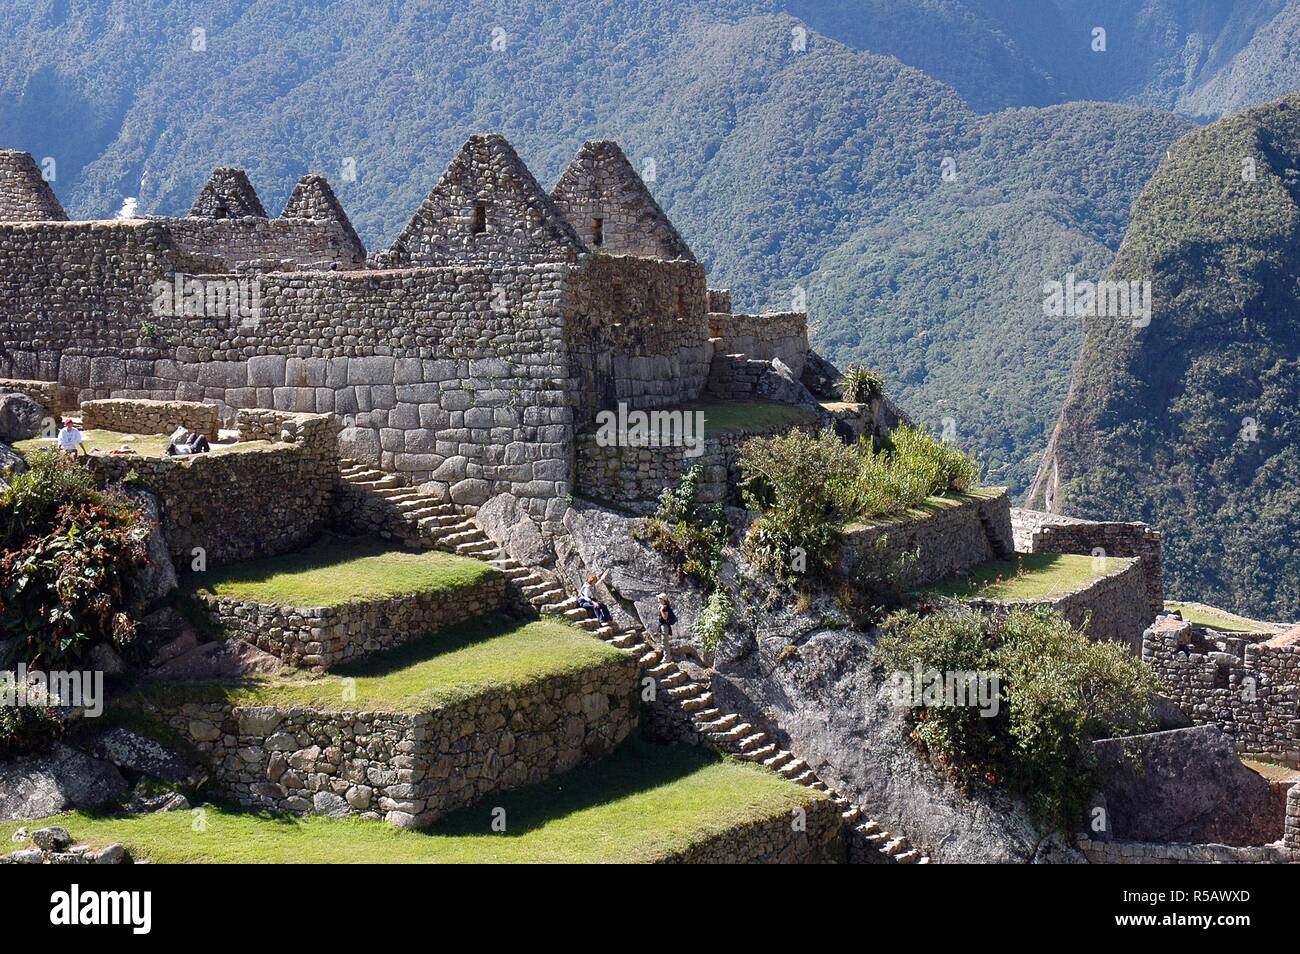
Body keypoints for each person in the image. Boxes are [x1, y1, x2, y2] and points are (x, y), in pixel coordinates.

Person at [657, 593, 677, 660]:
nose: (658, 599)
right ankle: (666, 657)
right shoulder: (663, 606)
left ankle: (667, 658)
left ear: (662, 599)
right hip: (663, 625)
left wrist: (661, 610)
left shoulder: (664, 607)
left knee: (665, 642)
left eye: (659, 598)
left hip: (665, 626)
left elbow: (665, 617)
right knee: (664, 642)